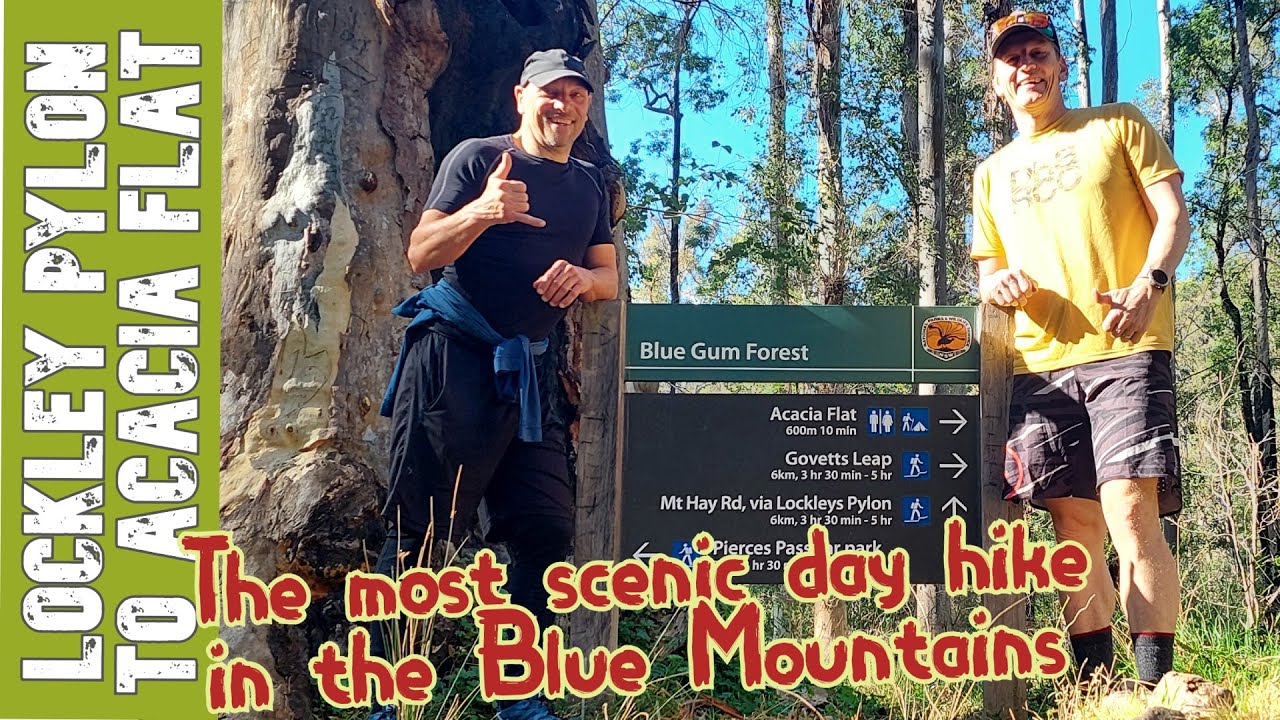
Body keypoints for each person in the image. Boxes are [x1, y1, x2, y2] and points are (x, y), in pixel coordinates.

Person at [371, 48, 619, 720]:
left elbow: (608, 277)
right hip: (451, 356)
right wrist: (482, 211)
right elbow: (421, 252)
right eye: (550, 92)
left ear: (587, 108)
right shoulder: (479, 158)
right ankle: (387, 695)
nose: (564, 105)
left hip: (528, 373)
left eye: (577, 95)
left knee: (543, 525)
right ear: (521, 96)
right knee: (419, 529)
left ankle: (518, 691)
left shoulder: (589, 187)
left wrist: (582, 278)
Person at [971, 10, 1190, 689]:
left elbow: (1172, 214)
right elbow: (988, 271)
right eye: (1012, 59)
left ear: (1061, 66)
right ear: (996, 81)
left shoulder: (1117, 124)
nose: (1026, 66)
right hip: (1038, 365)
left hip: (1127, 345)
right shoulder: (991, 173)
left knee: (1130, 509)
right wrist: (999, 283)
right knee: (1073, 526)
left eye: (1038, 52)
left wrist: (1151, 283)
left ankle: (1155, 689)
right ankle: (1095, 689)